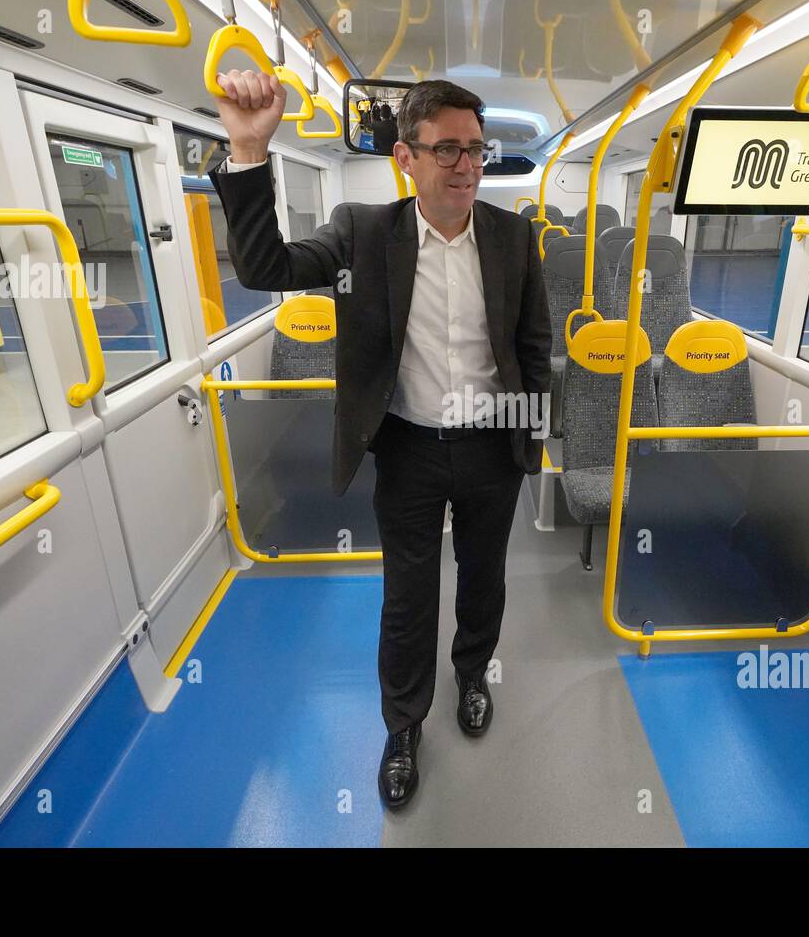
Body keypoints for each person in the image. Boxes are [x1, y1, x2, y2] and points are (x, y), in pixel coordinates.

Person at [209, 73, 552, 809]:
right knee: (408, 595)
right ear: (406, 156)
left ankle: (470, 675)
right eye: (448, 151)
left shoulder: (514, 237)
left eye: (477, 150)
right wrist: (247, 151)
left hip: (494, 446)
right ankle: (403, 727)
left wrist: (533, 443)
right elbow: (266, 268)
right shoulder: (361, 233)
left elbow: (533, 342)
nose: (467, 166)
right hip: (410, 447)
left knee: (485, 578)